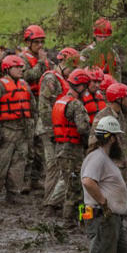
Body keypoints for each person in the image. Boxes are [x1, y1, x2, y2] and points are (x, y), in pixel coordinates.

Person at [80, 116, 127, 253]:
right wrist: (103, 202)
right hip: (103, 216)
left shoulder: (104, 158)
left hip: (112, 218)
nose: (119, 141)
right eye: (117, 137)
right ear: (111, 138)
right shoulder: (97, 158)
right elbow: (88, 181)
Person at [0, 54, 34, 205]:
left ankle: (13, 193)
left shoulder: (24, 85)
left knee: (18, 165)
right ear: (7, 69)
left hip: (22, 131)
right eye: (16, 67)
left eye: (21, 67)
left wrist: (32, 128)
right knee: (0, 165)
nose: (20, 70)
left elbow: (32, 107)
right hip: (6, 130)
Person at [37, 46, 81, 210]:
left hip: (59, 129)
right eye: (72, 68)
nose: (73, 72)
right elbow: (44, 106)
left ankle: (54, 200)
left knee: (60, 165)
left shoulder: (64, 79)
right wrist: (51, 130)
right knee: (53, 165)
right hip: (49, 129)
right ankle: (49, 202)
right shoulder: (51, 79)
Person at [51, 67, 93, 224]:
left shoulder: (60, 101)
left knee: (72, 186)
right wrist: (90, 142)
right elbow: (83, 128)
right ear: (80, 86)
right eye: (86, 87)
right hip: (73, 151)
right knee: (78, 189)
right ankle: (77, 220)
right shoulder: (76, 104)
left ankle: (75, 219)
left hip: (61, 149)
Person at [19, 25, 52, 188]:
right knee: (29, 143)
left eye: (41, 42)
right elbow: (28, 76)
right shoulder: (22, 59)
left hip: (43, 104)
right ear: (28, 42)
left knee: (40, 143)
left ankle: (35, 178)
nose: (40, 45)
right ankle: (24, 180)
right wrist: (41, 62)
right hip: (29, 105)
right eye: (36, 42)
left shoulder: (44, 59)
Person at [88, 81, 127, 175]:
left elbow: (123, 139)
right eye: (126, 97)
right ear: (118, 99)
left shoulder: (120, 115)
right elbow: (93, 142)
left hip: (121, 165)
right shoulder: (103, 117)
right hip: (109, 167)